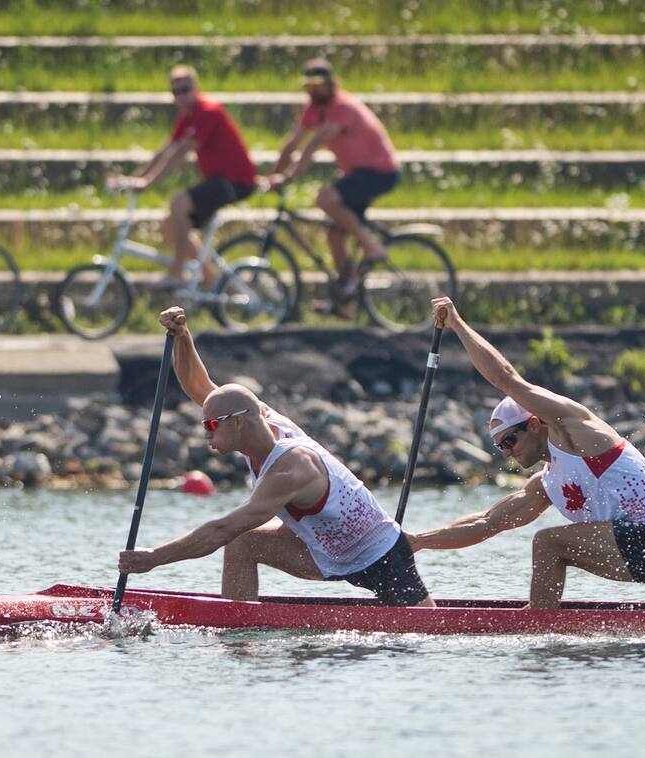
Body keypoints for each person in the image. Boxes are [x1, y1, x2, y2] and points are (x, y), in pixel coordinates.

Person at [409, 297, 645, 611]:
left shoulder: (577, 433)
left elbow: (505, 379)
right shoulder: (546, 484)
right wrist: (416, 541)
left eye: (509, 441)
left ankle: (537, 627)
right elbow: (485, 523)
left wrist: (456, 323)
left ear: (534, 424)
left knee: (547, 543)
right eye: (500, 447)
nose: (507, 452)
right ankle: (540, 620)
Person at [117, 306, 434, 607]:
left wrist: (154, 558)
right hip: (322, 550)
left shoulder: (290, 468)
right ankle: (238, 632)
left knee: (429, 630)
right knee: (243, 544)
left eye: (211, 425)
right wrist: (183, 336)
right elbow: (201, 387)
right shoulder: (259, 418)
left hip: (380, 556)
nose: (206, 433)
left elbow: (222, 529)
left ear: (239, 421)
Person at [268, 58, 400, 315]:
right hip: (359, 174)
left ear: (331, 84)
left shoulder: (342, 106)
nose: (314, 91)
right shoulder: (313, 109)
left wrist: (290, 177)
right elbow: (292, 143)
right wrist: (272, 176)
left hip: (379, 172)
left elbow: (314, 143)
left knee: (326, 199)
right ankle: (346, 303)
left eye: (319, 85)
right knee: (335, 235)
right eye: (310, 86)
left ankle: (372, 247)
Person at [108, 66, 257, 290]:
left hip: (235, 182)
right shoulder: (187, 117)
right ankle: (211, 276)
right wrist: (134, 178)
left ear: (196, 88)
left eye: (185, 89)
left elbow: (180, 153)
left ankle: (177, 274)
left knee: (179, 204)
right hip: (218, 181)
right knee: (170, 226)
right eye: (175, 91)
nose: (180, 95)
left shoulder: (208, 111)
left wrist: (148, 182)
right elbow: (165, 149)